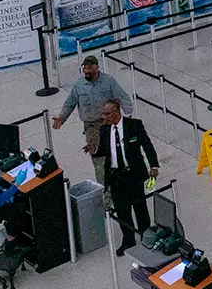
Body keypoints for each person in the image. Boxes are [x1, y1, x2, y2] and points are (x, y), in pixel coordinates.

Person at [52, 55, 135, 184]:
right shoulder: (79, 85)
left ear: (97, 67)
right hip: (91, 128)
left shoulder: (108, 81)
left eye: (90, 68)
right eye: (85, 68)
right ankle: (105, 191)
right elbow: (69, 103)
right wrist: (61, 118)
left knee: (117, 153)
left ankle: (125, 180)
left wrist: (128, 116)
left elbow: (122, 97)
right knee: (99, 160)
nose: (87, 71)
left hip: (108, 124)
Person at [98, 98, 157, 253]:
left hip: (134, 174)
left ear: (116, 112)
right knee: (122, 210)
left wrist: (154, 165)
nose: (104, 117)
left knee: (140, 207)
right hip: (115, 176)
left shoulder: (134, 125)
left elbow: (147, 145)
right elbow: (104, 153)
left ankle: (145, 235)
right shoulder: (104, 130)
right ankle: (128, 239)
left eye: (107, 114)